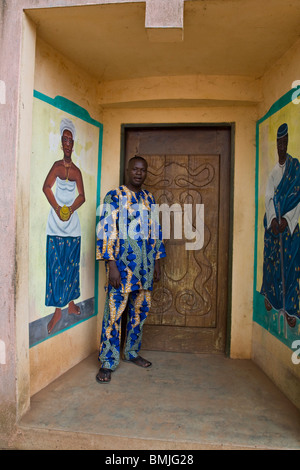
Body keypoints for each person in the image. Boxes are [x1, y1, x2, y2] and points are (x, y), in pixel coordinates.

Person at [95, 156, 166, 383]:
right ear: (128, 170)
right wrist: (112, 265)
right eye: (135, 169)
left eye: (143, 170)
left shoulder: (149, 199)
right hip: (121, 270)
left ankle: (132, 352)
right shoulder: (113, 197)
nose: (139, 173)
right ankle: (107, 362)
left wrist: (156, 262)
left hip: (144, 270)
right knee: (114, 314)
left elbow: (156, 232)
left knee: (140, 312)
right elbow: (106, 231)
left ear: (146, 173)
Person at [43, 118, 85, 334]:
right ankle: (58, 309)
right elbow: (46, 188)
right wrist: (59, 208)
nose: (67, 143)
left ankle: (70, 303)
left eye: (70, 140)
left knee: (71, 265)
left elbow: (82, 196)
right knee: (55, 266)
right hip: (55, 226)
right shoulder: (57, 167)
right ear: (61, 143)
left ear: (73, 144)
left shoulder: (76, 171)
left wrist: (71, 209)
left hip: (73, 227)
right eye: (64, 140)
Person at [260, 123, 300, 328]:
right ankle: (271, 297)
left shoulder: (296, 169)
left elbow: (299, 198)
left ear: (287, 142)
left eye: (284, 142)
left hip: (291, 231)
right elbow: (268, 197)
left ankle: (290, 309)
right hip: (274, 230)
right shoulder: (275, 172)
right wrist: (275, 219)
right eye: (278, 143)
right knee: (271, 263)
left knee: (292, 268)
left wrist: (287, 219)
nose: (281, 146)